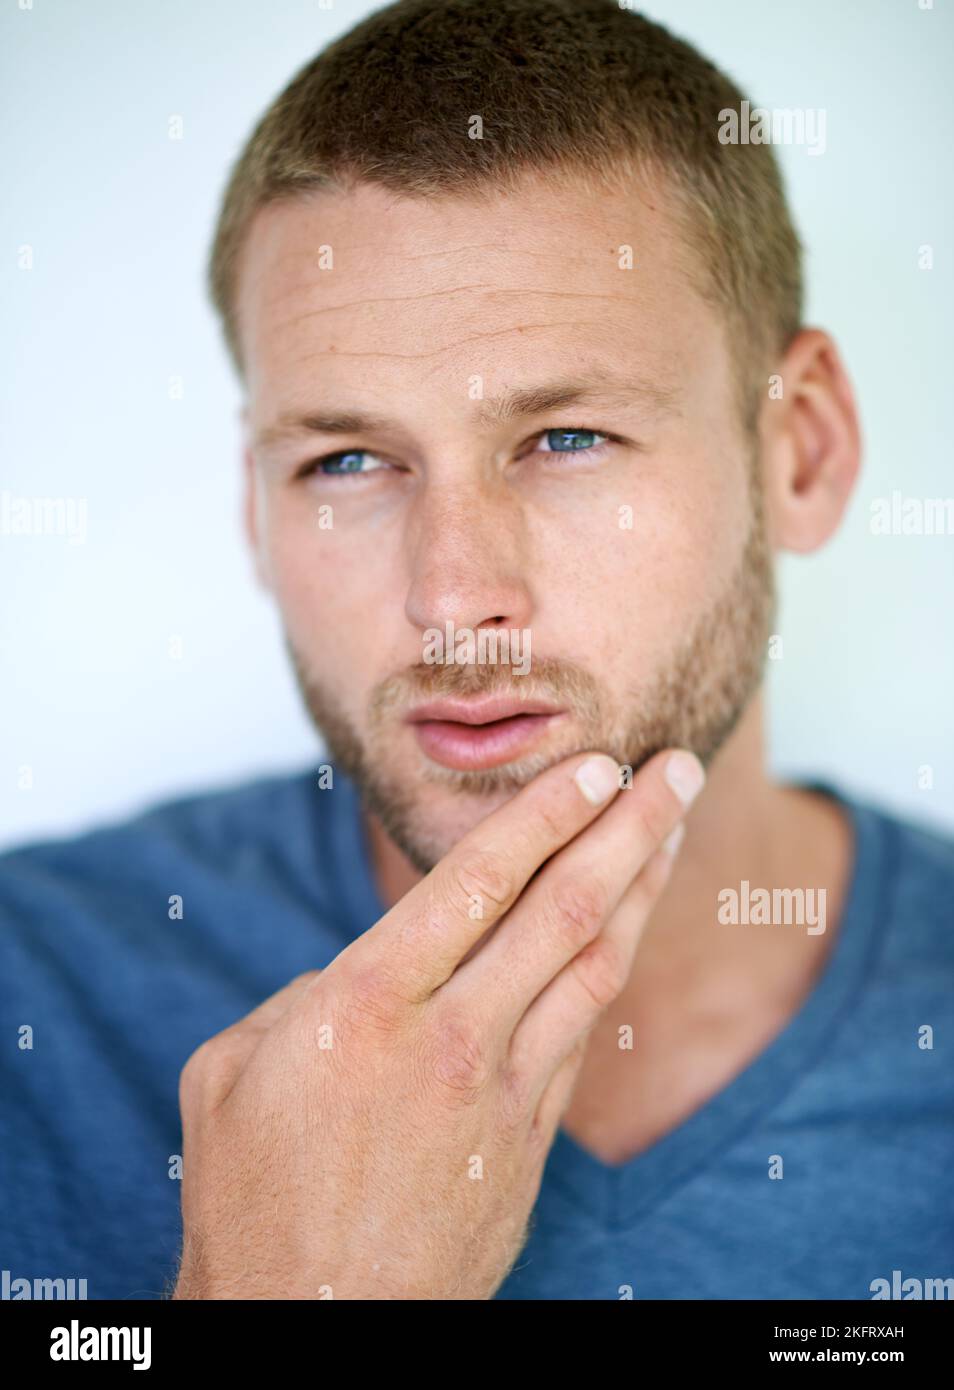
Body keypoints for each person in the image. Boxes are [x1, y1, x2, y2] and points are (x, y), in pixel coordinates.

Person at [2, 0, 952, 1302]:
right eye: (347, 460)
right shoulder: (26, 1000)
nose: (452, 597)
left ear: (800, 452)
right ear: (254, 510)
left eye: (566, 439)